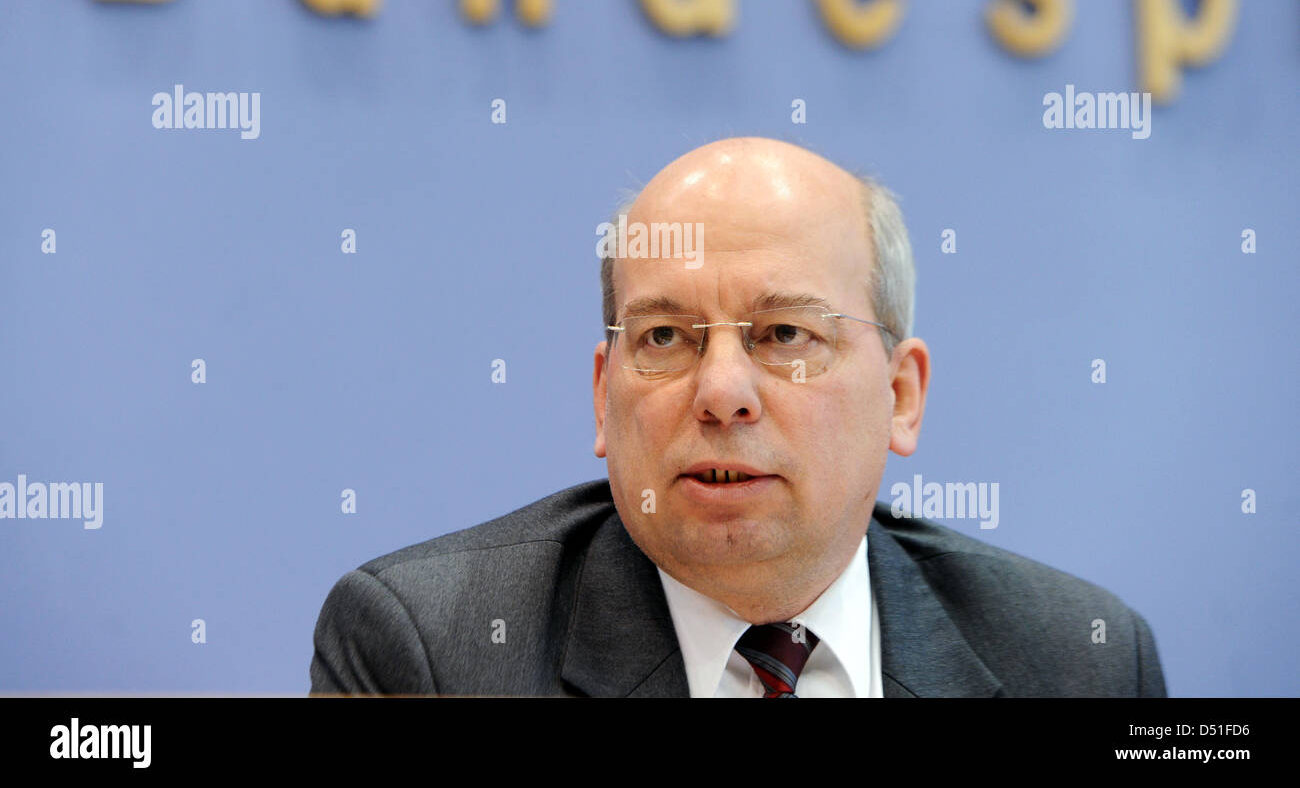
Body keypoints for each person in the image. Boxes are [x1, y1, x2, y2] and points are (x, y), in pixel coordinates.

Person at [309, 137, 1167, 697]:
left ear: (901, 397)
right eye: (667, 336)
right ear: (604, 396)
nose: (722, 390)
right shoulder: (429, 654)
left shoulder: (1081, 661)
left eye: (785, 333)